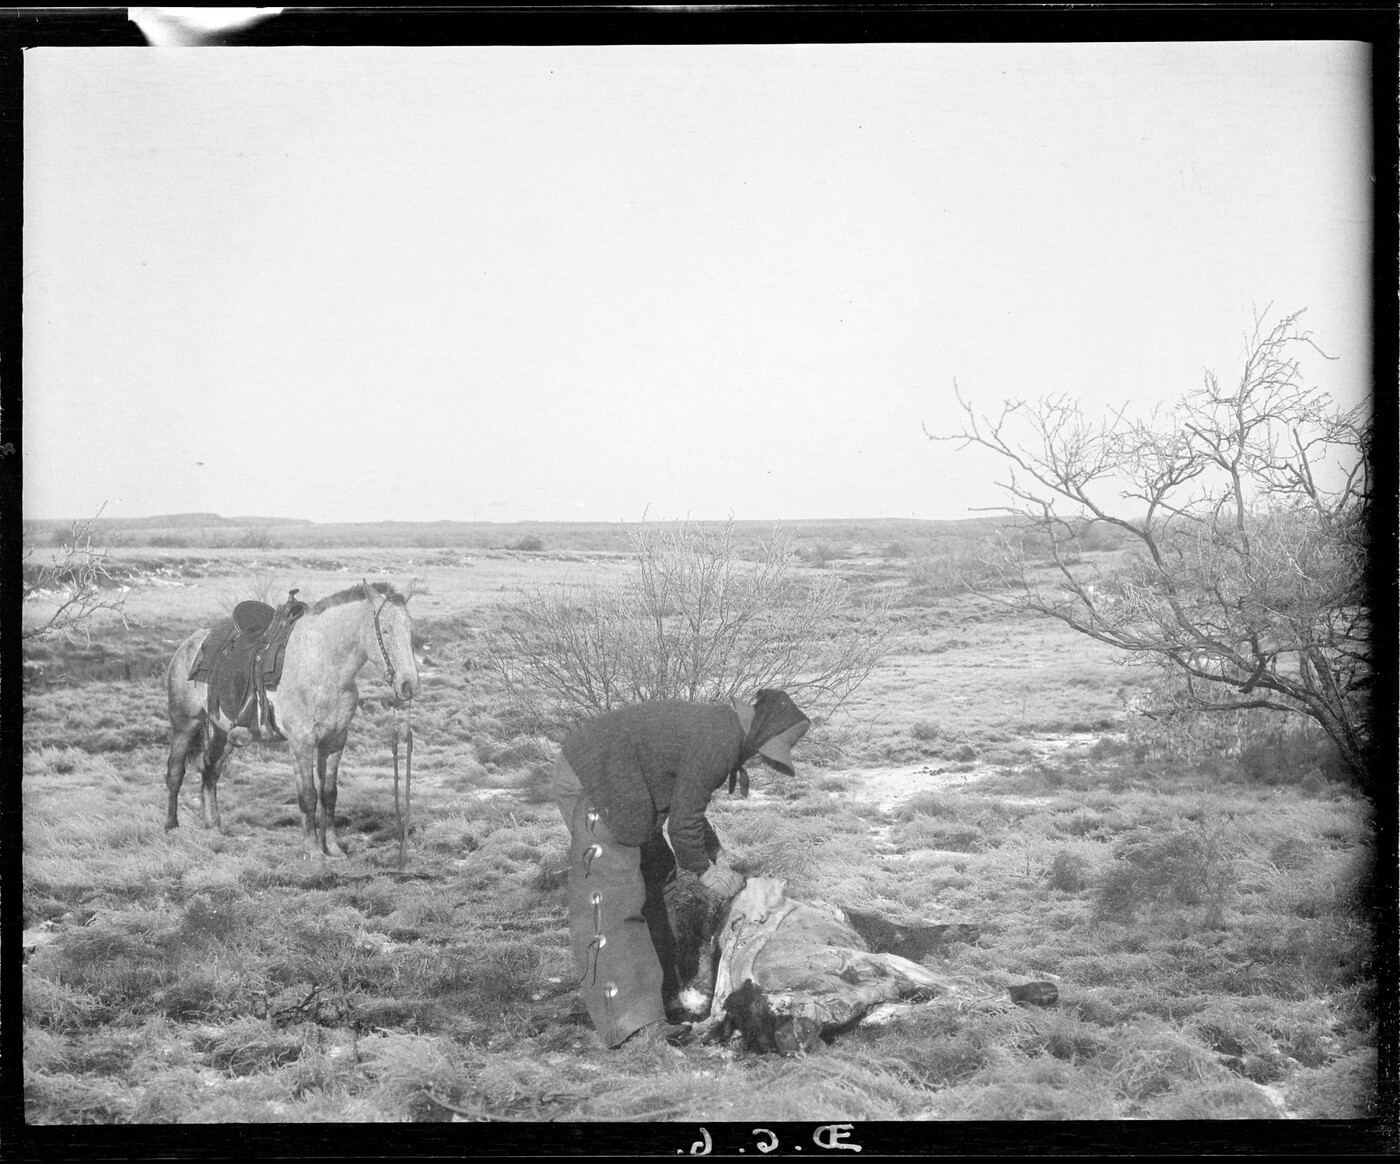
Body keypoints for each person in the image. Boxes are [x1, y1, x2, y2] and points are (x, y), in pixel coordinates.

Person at [551, 689, 811, 1048]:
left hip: (620, 781)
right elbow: (683, 823)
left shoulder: (723, 729)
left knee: (658, 876)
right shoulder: (719, 740)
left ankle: (660, 995)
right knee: (616, 893)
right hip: (594, 779)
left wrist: (716, 853)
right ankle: (634, 1024)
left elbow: (685, 805)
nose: (756, 759)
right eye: (762, 752)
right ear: (761, 733)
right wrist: (706, 872)